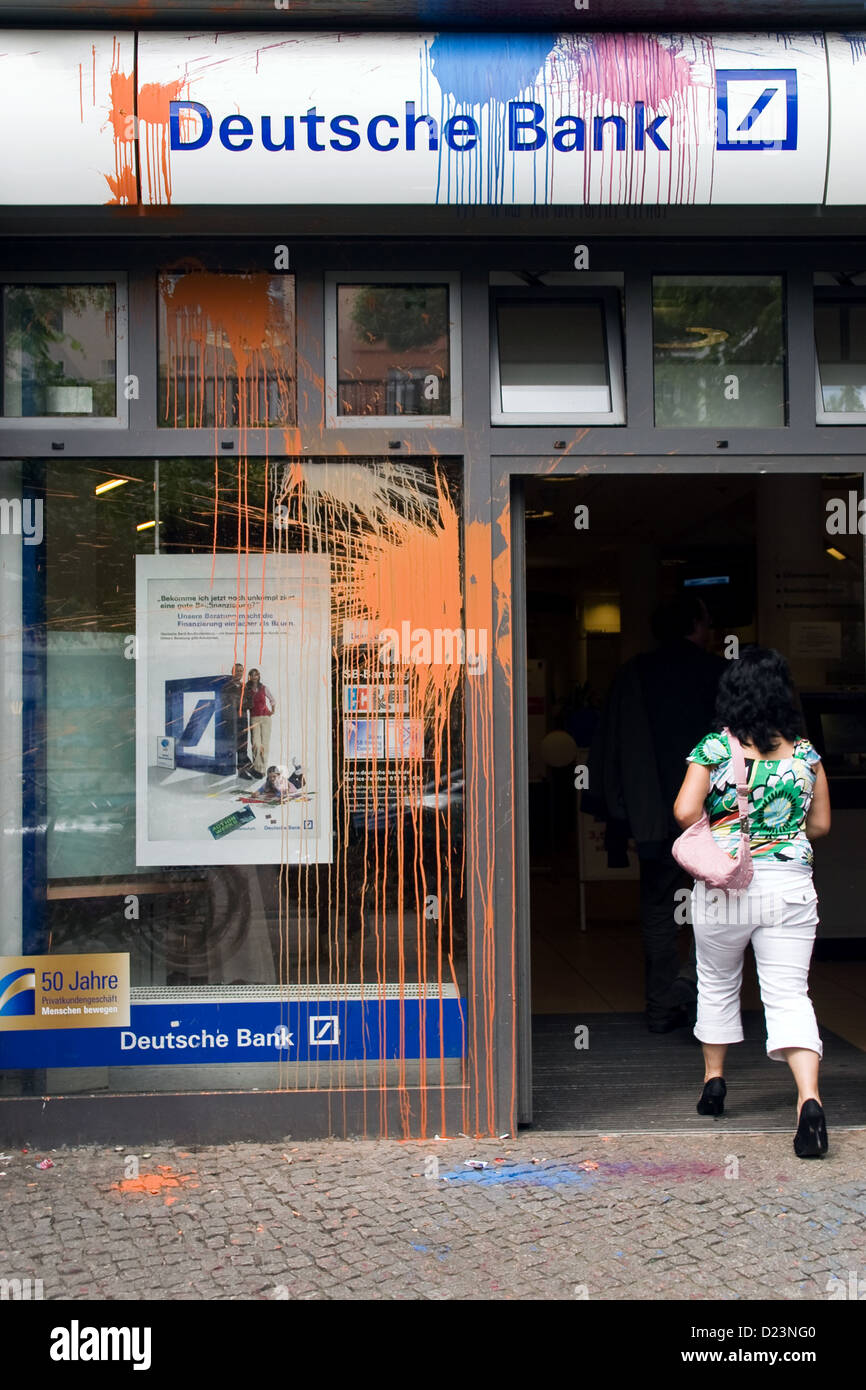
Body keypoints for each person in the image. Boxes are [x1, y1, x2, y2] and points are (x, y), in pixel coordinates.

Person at [673, 646, 831, 1158]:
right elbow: (822, 825)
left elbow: (683, 810)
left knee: (717, 981)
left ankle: (714, 1084)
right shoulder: (805, 753)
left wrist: (728, 823)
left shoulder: (717, 748)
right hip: (788, 885)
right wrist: (780, 829)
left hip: (725, 884)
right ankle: (809, 1099)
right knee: (789, 994)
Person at [585, 593, 725, 1032]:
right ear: (696, 626)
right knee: (719, 908)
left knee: (659, 907)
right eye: (706, 622)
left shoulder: (634, 674)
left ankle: (662, 1006)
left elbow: (611, 747)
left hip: (654, 815)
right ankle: (701, 996)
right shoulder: (720, 675)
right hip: (714, 815)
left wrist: (615, 810)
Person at [224, 661, 256, 780]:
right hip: (232, 720)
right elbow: (227, 704)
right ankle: (242, 770)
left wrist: (238, 704)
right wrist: (240, 704)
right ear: (232, 672)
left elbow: (251, 703)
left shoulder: (245, 687)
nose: (239, 673)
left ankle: (246, 768)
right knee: (237, 745)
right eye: (237, 671)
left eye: (241, 671)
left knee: (243, 745)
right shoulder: (226, 687)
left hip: (243, 719)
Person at [242, 668, 277, 775]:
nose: (254, 677)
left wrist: (272, 711)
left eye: (256, 675)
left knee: (264, 744)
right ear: (249, 677)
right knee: (256, 744)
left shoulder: (264, 688)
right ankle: (257, 768)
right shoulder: (247, 689)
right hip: (254, 718)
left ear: (258, 676)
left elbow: (272, 699)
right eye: (252, 675)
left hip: (265, 718)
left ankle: (263, 769)